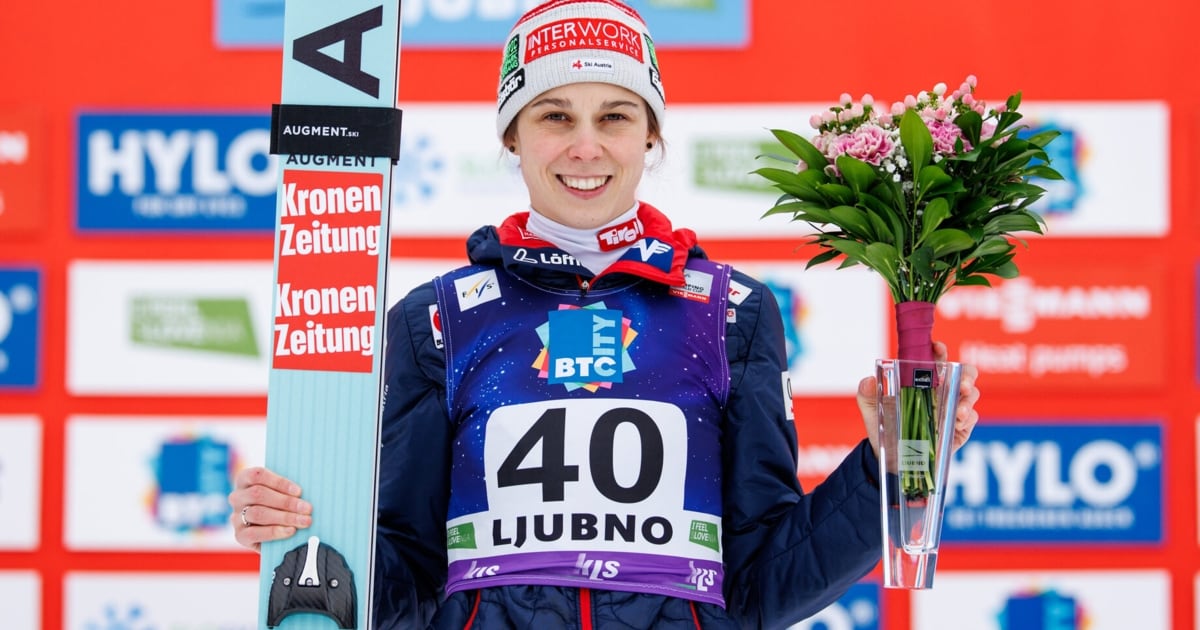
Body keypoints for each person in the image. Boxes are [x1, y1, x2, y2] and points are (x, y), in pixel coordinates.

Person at [230, 1, 981, 628]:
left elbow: (762, 586)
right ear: (512, 136)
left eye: (615, 116)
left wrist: (889, 467)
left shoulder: (732, 313)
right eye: (555, 115)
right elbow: (407, 580)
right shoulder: (436, 321)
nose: (585, 147)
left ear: (650, 136)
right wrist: (302, 529)